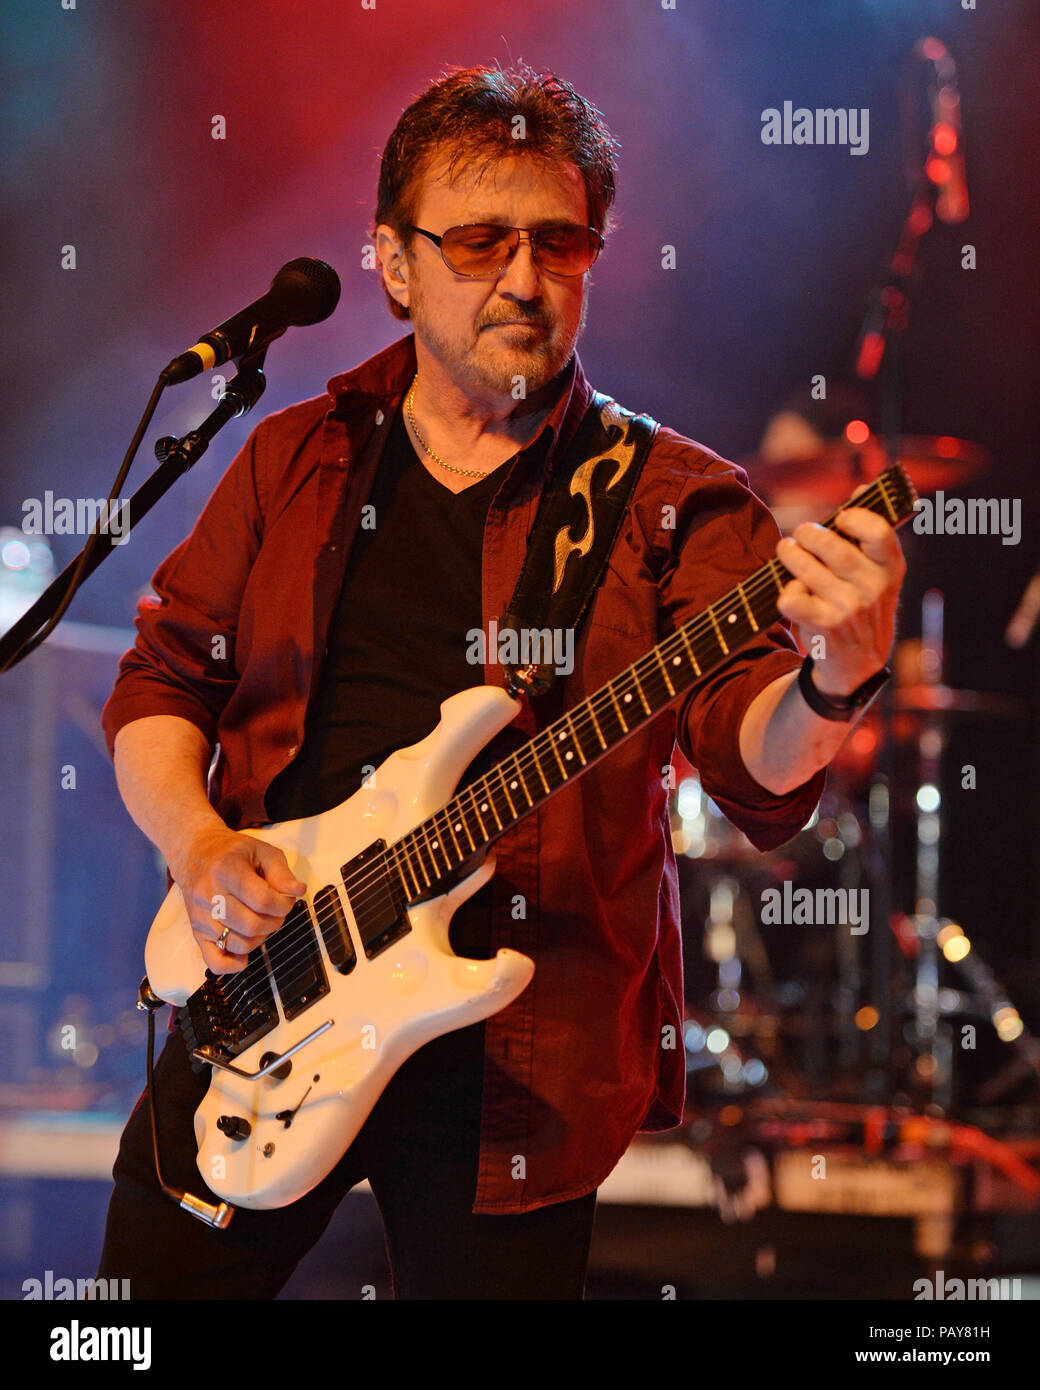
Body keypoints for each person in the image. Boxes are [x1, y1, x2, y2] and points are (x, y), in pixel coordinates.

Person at [95, 62, 906, 1300]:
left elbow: (752, 754)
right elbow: (160, 684)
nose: (524, 278)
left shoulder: (669, 500)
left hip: (517, 1064)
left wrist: (836, 682)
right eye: (478, 240)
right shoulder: (292, 454)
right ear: (394, 261)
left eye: (558, 242)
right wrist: (202, 848)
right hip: (264, 1001)